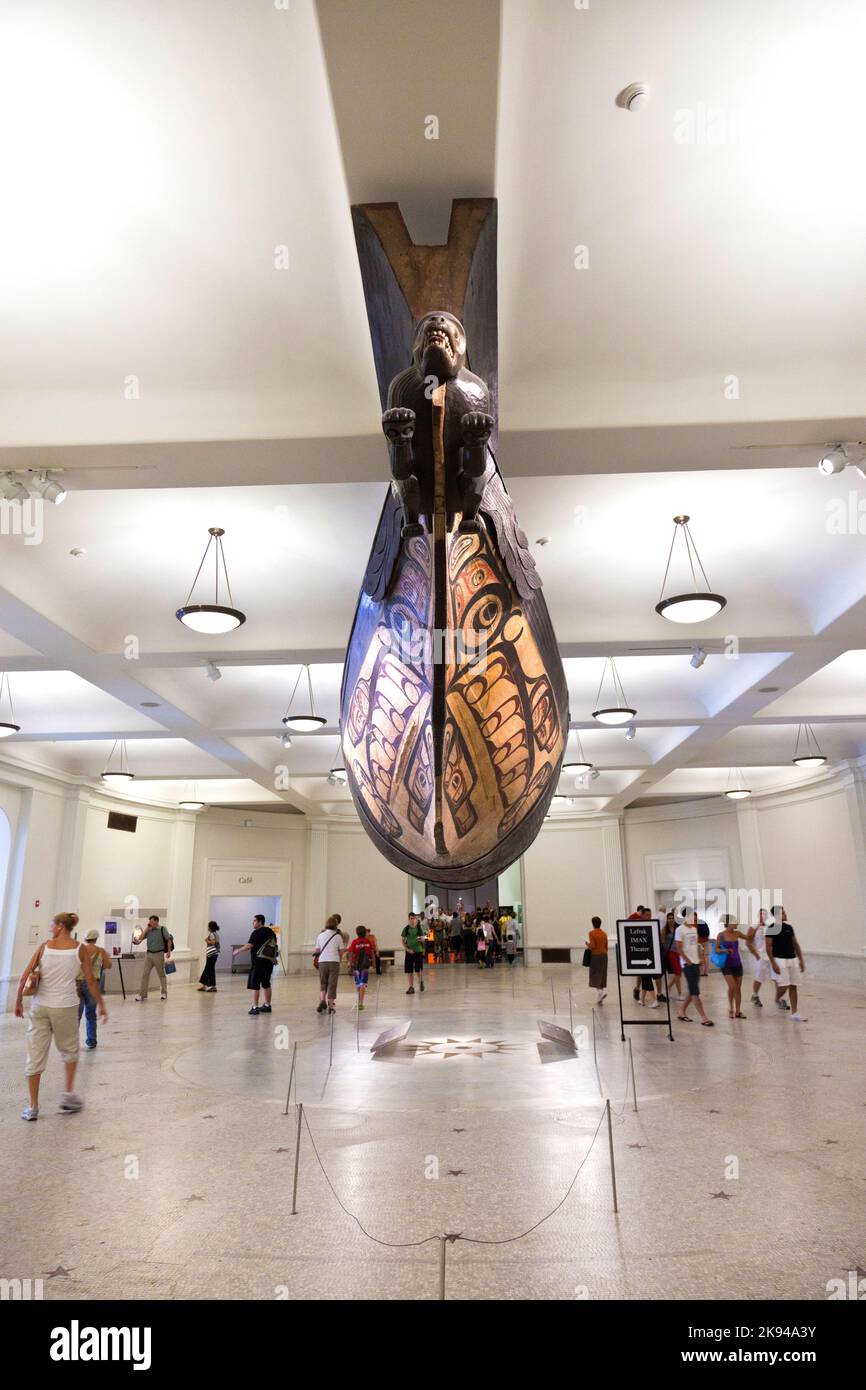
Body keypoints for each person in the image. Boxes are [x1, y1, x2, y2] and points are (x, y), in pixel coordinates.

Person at [16, 912, 107, 1120]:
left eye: (52, 924)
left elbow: (23, 976)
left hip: (40, 1006)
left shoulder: (44, 947)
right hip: (65, 1006)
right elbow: (91, 980)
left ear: (59, 926)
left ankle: (32, 1107)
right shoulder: (79, 948)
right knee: (70, 1050)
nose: (49, 927)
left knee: (35, 1054)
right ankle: (67, 1095)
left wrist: (18, 1001)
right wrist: (101, 1005)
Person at [765, 906, 807, 1021]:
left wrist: (801, 960)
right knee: (784, 985)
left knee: (794, 985)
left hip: (792, 959)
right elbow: (768, 947)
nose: (785, 914)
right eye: (783, 913)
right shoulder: (771, 928)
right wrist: (773, 963)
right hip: (779, 959)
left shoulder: (789, 927)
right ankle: (777, 998)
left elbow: (795, 944)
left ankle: (795, 1012)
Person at [673, 909, 714, 1026]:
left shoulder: (694, 929)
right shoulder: (680, 930)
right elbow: (679, 948)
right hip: (687, 964)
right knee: (695, 992)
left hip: (696, 963)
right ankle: (704, 1018)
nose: (695, 920)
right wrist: (687, 961)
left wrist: (700, 958)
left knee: (692, 990)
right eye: (693, 917)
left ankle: (681, 1011)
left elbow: (695, 945)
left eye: (696, 918)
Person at [233, 914, 279, 1016]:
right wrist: (274, 958)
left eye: (254, 921)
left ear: (260, 922)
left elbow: (249, 945)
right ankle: (267, 1005)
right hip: (268, 963)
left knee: (255, 985)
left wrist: (238, 951)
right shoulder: (271, 932)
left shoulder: (256, 932)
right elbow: (274, 947)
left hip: (258, 963)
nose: (252, 923)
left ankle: (255, 1007)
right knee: (266, 983)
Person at [715, 915, 758, 1019]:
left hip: (737, 963)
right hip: (726, 964)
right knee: (732, 986)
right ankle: (731, 1008)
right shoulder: (721, 935)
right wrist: (725, 950)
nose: (737, 923)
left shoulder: (737, 933)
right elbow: (716, 950)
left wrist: (756, 928)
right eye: (735, 922)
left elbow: (749, 938)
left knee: (738, 988)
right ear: (728, 923)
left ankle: (738, 1011)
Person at [78, 928, 112, 1048]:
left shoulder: (80, 950)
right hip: (93, 985)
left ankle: (72, 1042)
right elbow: (108, 965)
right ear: (96, 939)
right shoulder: (100, 951)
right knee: (91, 1013)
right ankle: (91, 1040)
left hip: (78, 983)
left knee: (77, 1014)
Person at [134, 914, 172, 1002]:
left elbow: (168, 939)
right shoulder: (149, 930)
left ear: (156, 921)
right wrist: (147, 928)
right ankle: (142, 995)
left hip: (159, 954)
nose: (150, 923)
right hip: (149, 955)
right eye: (149, 921)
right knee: (145, 974)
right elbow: (140, 937)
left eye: (151, 921)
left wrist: (169, 951)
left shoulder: (162, 929)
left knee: (161, 975)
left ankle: (164, 993)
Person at [313, 914, 345, 1014]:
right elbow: (341, 951)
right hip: (334, 962)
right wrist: (338, 959)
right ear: (336, 925)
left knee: (323, 983)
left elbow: (317, 950)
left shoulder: (320, 935)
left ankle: (322, 1000)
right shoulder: (338, 936)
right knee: (332, 984)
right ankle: (331, 1007)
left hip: (322, 962)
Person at [747, 908, 773, 1007]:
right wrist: (756, 955)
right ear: (758, 915)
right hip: (760, 955)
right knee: (760, 976)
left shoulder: (770, 927)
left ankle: (780, 998)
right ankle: (755, 995)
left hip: (771, 955)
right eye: (761, 914)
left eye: (765, 914)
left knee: (777, 977)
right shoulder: (753, 927)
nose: (763, 916)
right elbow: (748, 942)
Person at [348, 925, 374, 1009]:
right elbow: (372, 953)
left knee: (358, 984)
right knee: (363, 983)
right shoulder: (368, 941)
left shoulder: (354, 942)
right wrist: (374, 963)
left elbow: (351, 954)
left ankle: (359, 1000)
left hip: (356, 966)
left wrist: (350, 964)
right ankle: (361, 1002)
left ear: (357, 933)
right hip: (365, 965)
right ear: (365, 932)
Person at [401, 912, 426, 994]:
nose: (412, 920)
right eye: (411, 918)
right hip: (409, 952)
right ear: (408, 919)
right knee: (409, 970)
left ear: (416, 919)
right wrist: (407, 949)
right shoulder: (406, 929)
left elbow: (423, 939)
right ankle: (411, 987)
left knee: (418, 969)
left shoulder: (419, 929)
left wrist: (421, 939)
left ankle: (421, 981)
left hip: (418, 951)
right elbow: (402, 940)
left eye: (413, 918)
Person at [662, 911, 683, 1001]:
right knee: (677, 973)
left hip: (679, 952)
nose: (671, 920)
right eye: (669, 918)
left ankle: (668, 987)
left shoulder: (677, 928)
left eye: (672, 918)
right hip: (670, 952)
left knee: (679, 973)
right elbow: (662, 942)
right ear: (667, 919)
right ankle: (679, 993)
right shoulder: (664, 929)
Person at [586, 916, 607, 1001]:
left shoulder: (591, 933)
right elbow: (606, 946)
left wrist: (587, 944)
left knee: (594, 974)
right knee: (602, 974)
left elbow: (593, 946)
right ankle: (600, 997)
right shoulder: (604, 933)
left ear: (593, 924)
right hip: (604, 955)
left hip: (595, 956)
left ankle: (600, 992)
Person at [197, 921, 220, 992]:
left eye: (208, 926)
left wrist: (207, 941)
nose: (208, 928)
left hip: (211, 954)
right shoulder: (215, 934)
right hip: (214, 954)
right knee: (207, 968)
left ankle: (212, 986)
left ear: (211, 927)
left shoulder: (212, 934)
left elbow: (213, 942)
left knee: (210, 969)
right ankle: (204, 985)